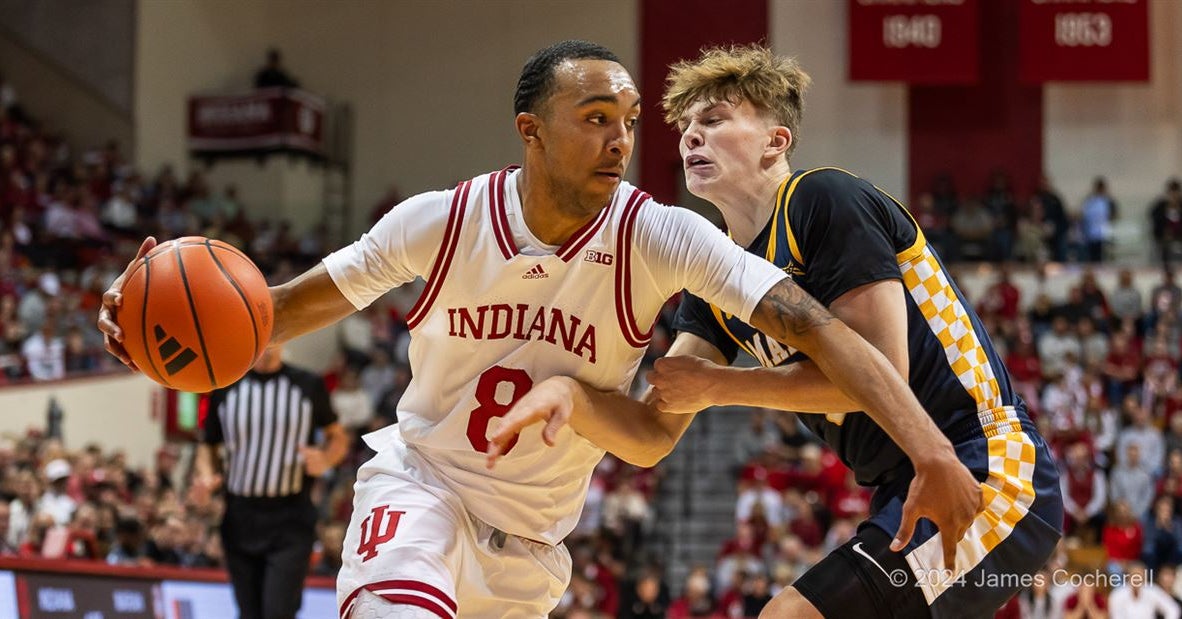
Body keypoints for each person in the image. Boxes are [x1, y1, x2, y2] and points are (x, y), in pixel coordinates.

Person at [100, 40, 979, 617]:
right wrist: (154, 331)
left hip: (534, 546)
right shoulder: (439, 221)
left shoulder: (663, 235)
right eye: (597, 118)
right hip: (425, 490)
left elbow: (817, 327)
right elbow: (271, 316)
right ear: (531, 129)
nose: (621, 140)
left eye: (630, 123)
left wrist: (931, 450)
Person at [493, 45, 1057, 618]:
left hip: (986, 465)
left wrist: (720, 387)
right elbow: (651, 435)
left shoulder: (822, 199)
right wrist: (569, 393)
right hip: (902, 486)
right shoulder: (716, 270)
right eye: (685, 126)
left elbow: (878, 373)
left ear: (776, 141)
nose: (690, 137)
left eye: (713, 121)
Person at [192, 344, 349, 619]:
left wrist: (325, 460)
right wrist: (206, 476)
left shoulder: (308, 384)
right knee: (249, 612)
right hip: (240, 515)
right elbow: (208, 444)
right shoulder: (226, 385)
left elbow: (338, 437)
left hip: (291, 518)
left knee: (278, 611)